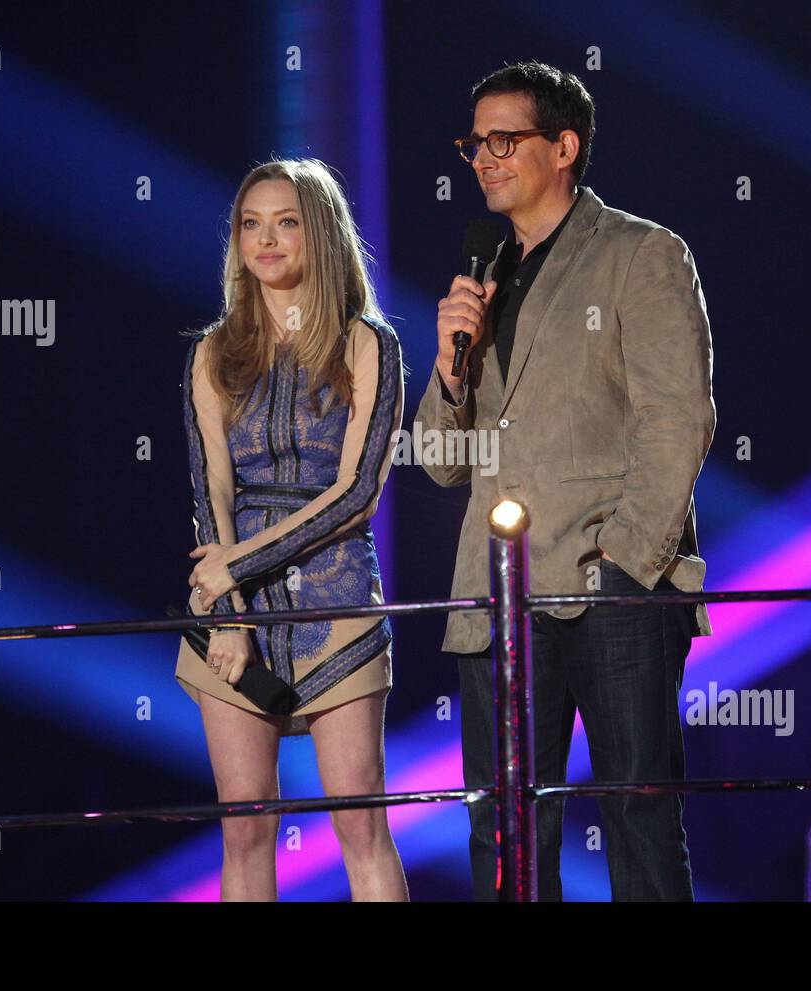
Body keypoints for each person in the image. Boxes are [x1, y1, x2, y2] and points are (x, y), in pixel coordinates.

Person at [414, 62, 716, 901]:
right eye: (475, 141)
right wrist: (448, 368)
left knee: (639, 817)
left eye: (505, 139)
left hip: (610, 589)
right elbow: (440, 460)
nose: (484, 156)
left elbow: (678, 417)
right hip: (500, 598)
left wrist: (624, 565)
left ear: (565, 147)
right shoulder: (488, 273)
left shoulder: (640, 253)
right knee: (504, 830)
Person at [175, 158, 408, 901]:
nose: (266, 239)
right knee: (245, 829)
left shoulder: (368, 345)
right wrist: (229, 614)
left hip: (336, 601)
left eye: (286, 222)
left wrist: (233, 567)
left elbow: (357, 495)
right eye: (251, 223)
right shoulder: (212, 352)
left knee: (360, 825)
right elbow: (210, 486)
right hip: (232, 617)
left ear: (322, 234)